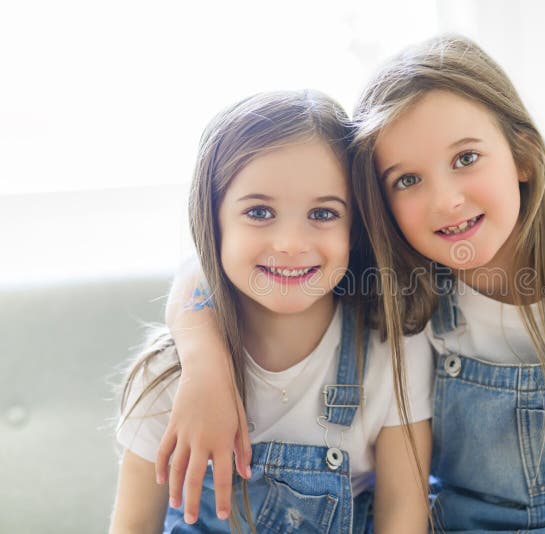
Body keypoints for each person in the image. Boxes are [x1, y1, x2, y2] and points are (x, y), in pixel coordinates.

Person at [159, 36, 545, 532]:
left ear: (522, 156)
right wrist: (206, 365)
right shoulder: (402, 288)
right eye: (407, 179)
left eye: (466, 159)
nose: (445, 200)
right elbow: (203, 273)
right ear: (377, 205)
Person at [109, 90, 433, 534]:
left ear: (354, 229)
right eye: (259, 212)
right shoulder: (168, 375)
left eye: (323, 213)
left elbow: (403, 518)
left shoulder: (390, 352)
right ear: (213, 220)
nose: (290, 243)